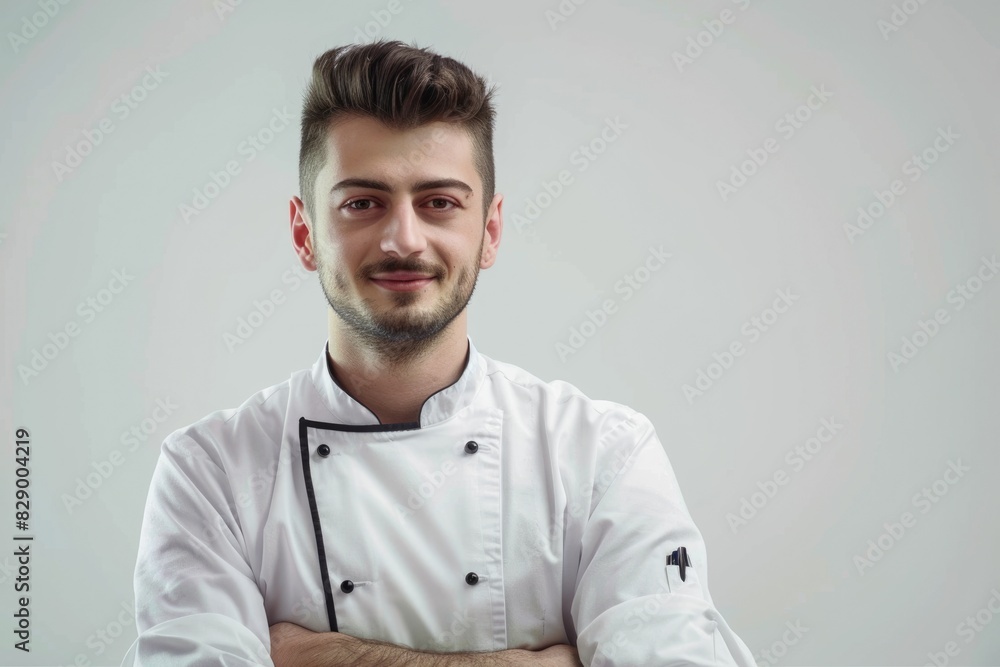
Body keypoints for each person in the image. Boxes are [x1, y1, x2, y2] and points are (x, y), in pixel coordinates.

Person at [120, 39, 756, 666]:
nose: (403, 240)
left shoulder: (605, 454)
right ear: (304, 232)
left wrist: (318, 657)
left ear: (490, 231)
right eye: (362, 203)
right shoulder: (211, 473)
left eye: (440, 203)